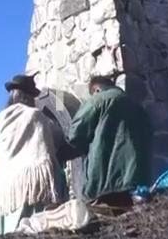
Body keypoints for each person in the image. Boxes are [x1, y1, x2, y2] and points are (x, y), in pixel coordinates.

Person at [0, 75, 68, 234]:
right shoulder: (34, 115)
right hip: (29, 185)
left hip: (1, 184)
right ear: (28, 96)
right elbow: (47, 146)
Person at [62, 75, 153, 211]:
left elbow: (77, 134)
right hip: (136, 180)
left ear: (97, 90)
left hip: (104, 181)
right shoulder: (136, 105)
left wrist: (63, 152)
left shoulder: (97, 100)